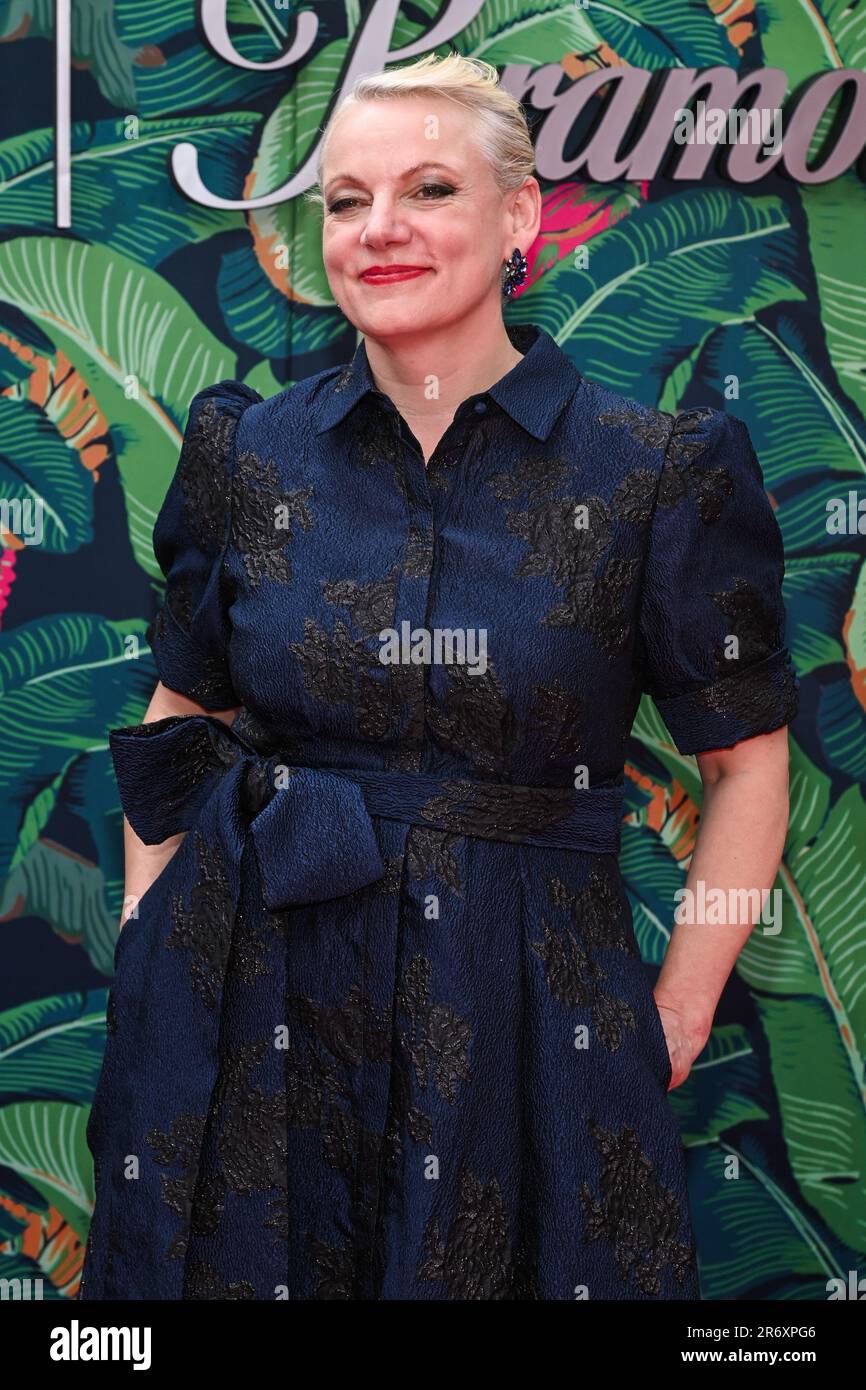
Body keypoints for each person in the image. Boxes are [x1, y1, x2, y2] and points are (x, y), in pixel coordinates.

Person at [79, 52, 799, 1301]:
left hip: (525, 1016)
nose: (380, 230)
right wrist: (152, 936)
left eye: (425, 189)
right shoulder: (247, 451)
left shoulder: (653, 469)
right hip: (256, 991)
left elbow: (744, 763)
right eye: (345, 202)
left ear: (516, 216)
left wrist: (679, 1006)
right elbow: (179, 714)